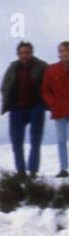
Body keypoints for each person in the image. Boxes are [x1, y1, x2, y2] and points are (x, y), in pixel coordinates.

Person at [1, 41, 48, 175]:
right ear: (18, 54)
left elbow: (49, 83)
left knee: (35, 140)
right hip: (17, 109)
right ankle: (21, 171)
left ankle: (33, 170)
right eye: (21, 53)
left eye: (27, 53)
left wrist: (44, 103)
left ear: (31, 53)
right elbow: (5, 86)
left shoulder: (41, 66)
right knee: (16, 142)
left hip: (35, 108)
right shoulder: (12, 68)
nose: (24, 56)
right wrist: (7, 101)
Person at [41, 40, 69, 178]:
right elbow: (45, 90)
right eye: (62, 51)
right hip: (59, 110)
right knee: (61, 139)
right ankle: (64, 167)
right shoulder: (52, 70)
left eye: (66, 51)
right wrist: (52, 104)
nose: (64, 54)